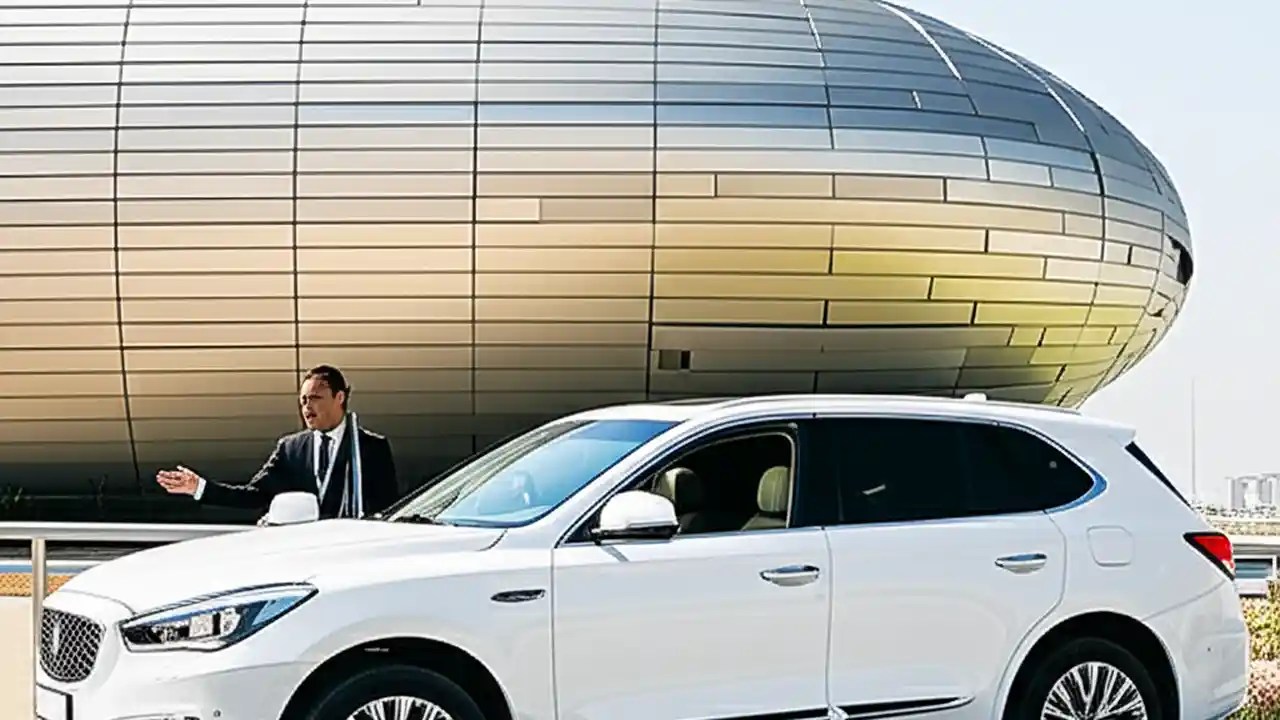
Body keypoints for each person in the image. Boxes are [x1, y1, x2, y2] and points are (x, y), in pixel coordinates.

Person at [156, 365, 399, 520]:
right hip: (307, 554)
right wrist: (199, 487)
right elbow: (255, 495)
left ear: (340, 397)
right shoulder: (291, 449)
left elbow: (389, 510)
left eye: (315, 398)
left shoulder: (371, 449)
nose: (306, 407)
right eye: (303, 400)